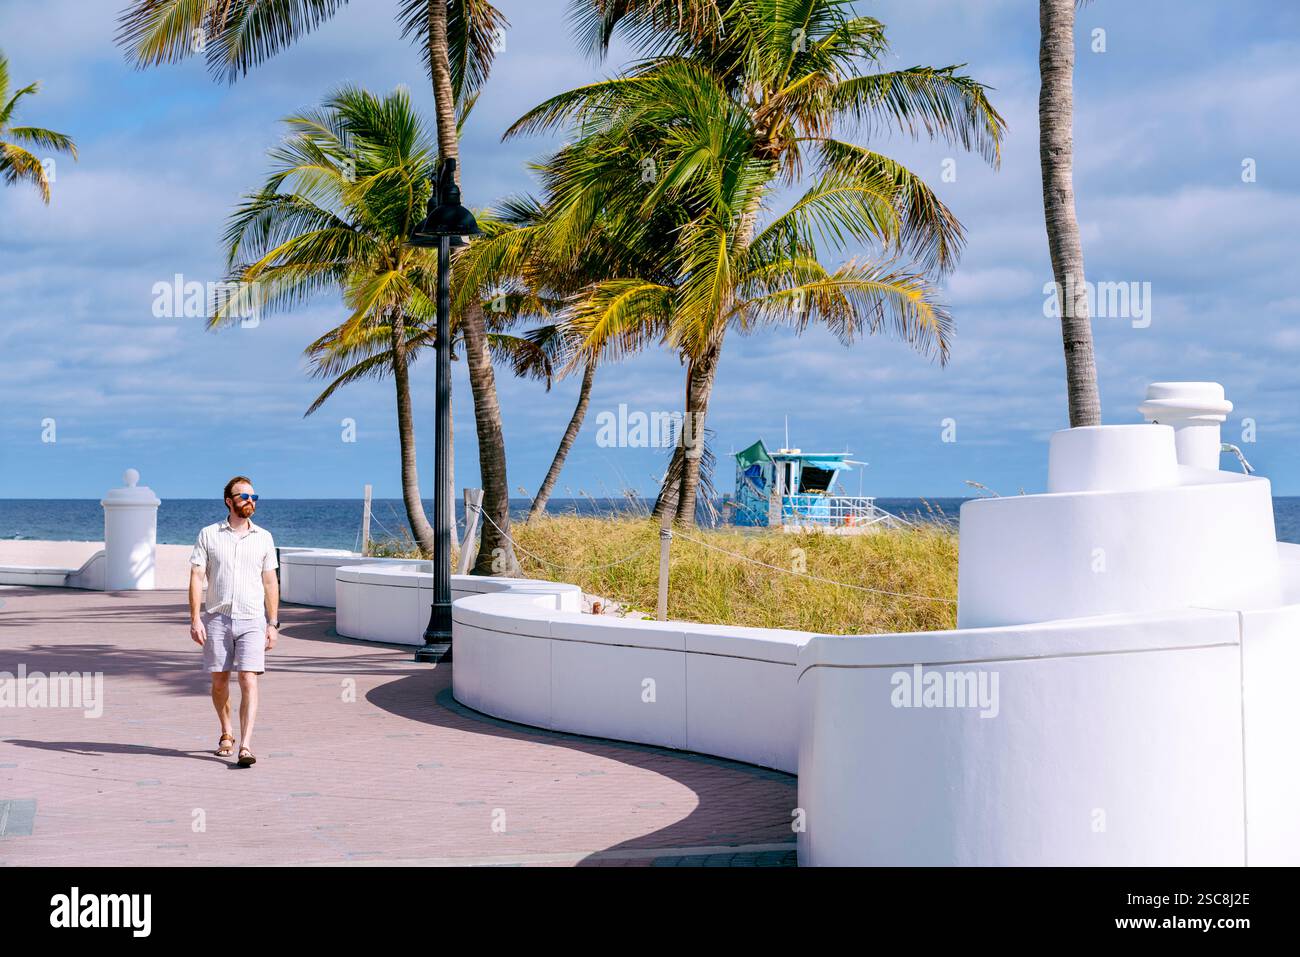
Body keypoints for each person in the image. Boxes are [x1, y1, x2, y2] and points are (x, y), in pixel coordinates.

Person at [189, 476, 279, 767]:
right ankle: (226, 732)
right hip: (218, 618)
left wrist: (273, 623)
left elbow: (270, 582)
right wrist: (195, 619)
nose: (250, 501)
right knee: (219, 681)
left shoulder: (264, 537)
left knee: (248, 679)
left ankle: (246, 745)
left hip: (253, 618)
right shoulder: (209, 534)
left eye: (254, 496)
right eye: (243, 496)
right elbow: (196, 577)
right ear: (229, 501)